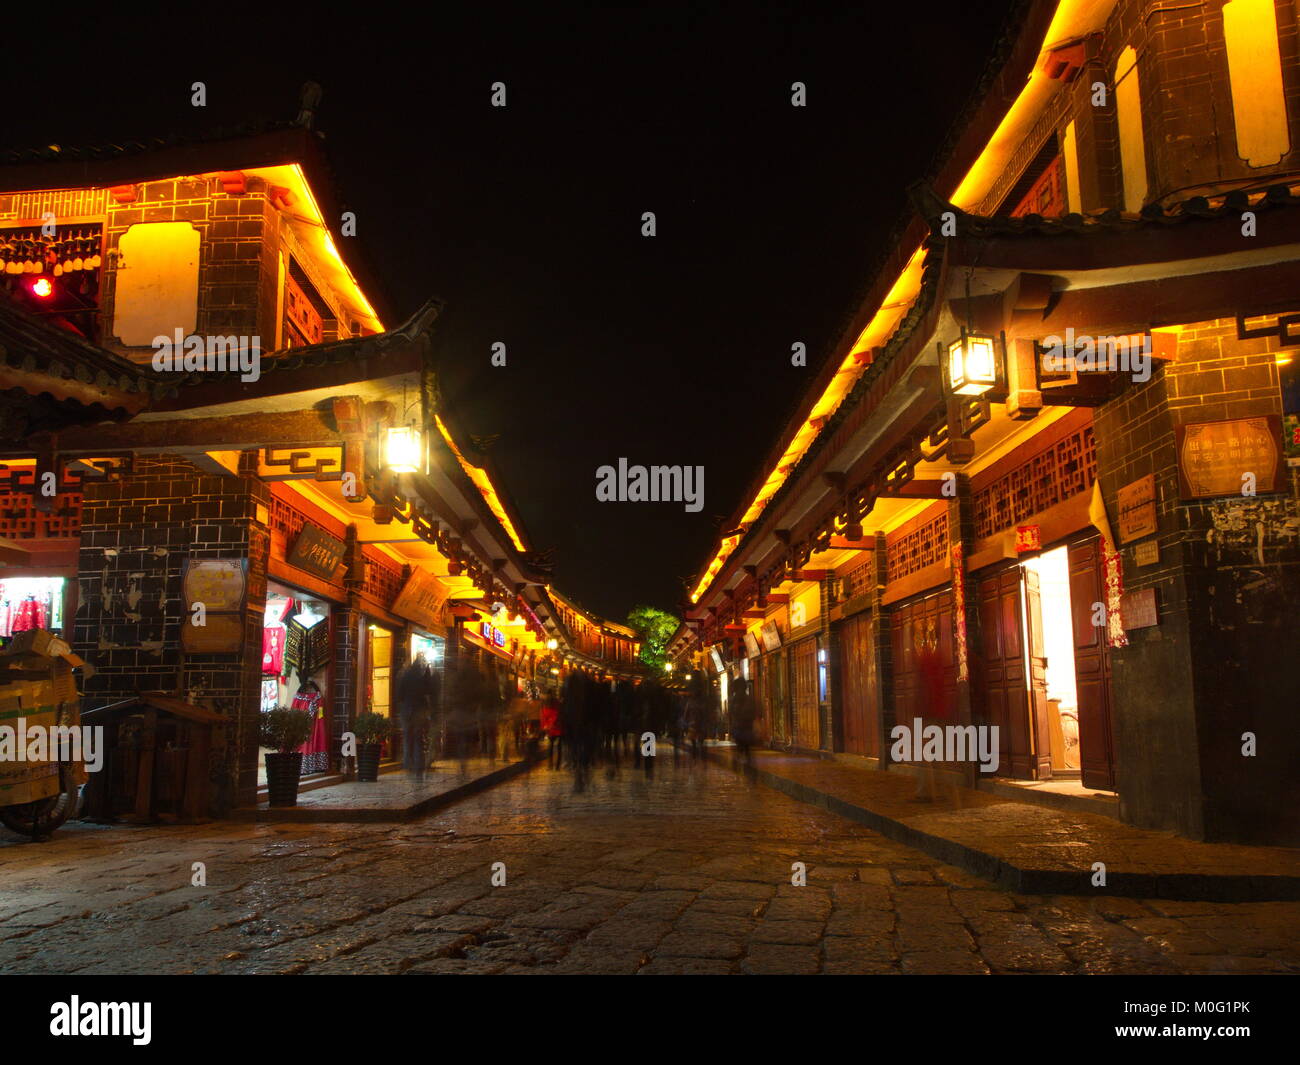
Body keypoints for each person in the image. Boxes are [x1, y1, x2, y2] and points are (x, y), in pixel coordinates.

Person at [396, 655, 433, 778]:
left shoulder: (406, 676)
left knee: (408, 737)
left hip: (407, 710)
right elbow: (428, 692)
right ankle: (418, 765)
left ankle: (408, 763)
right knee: (418, 739)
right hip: (419, 712)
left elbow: (399, 695)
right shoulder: (421, 677)